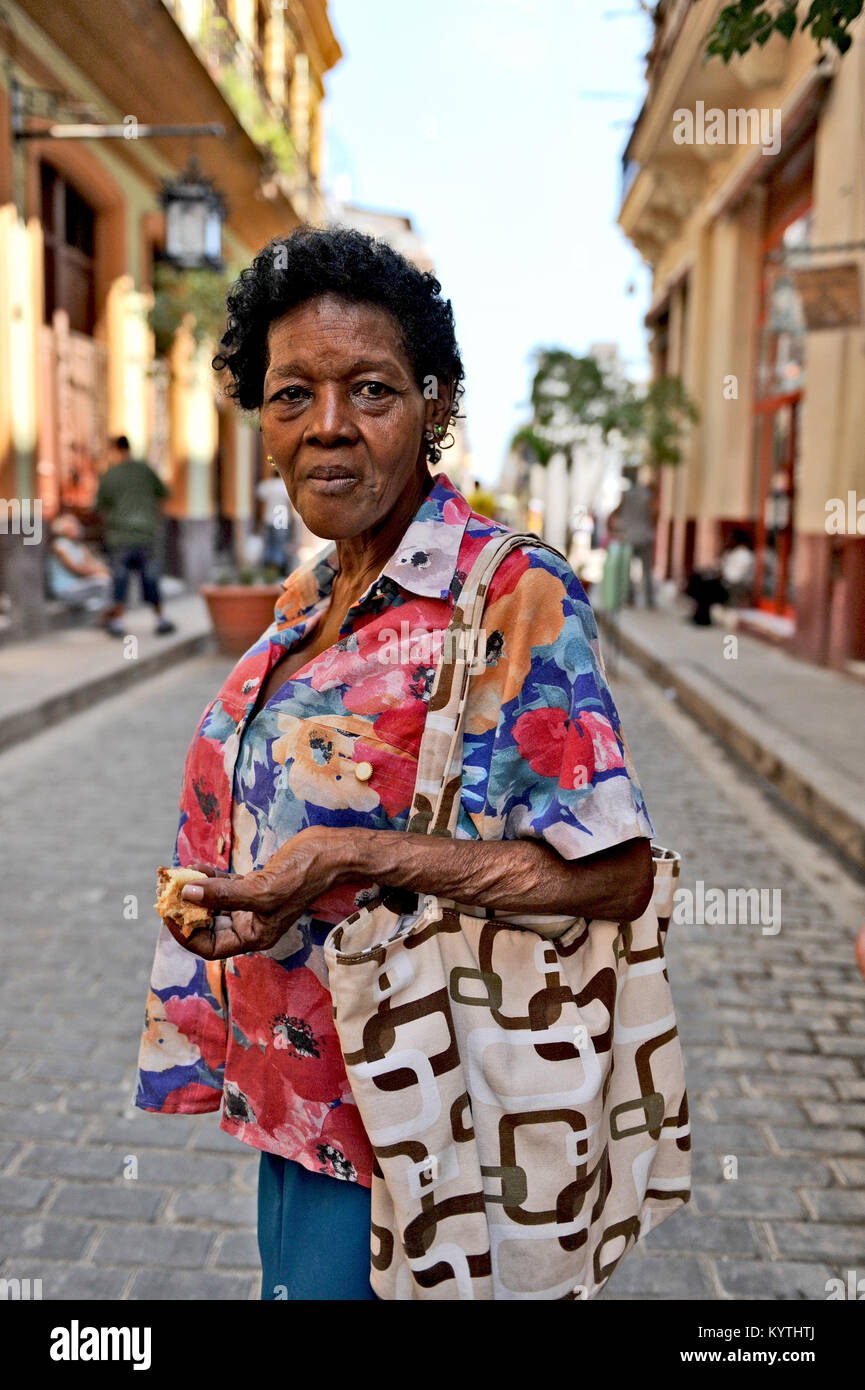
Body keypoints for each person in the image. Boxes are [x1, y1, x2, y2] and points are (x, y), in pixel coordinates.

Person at [134, 226, 657, 1301]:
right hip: (301, 1101)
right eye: (291, 395)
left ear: (433, 407)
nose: (328, 426)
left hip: (423, 1118)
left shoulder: (509, 593)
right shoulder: (304, 602)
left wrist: (343, 853)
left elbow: (615, 872)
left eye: (369, 389)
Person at [94, 435, 176, 637]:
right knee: (150, 577)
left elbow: (99, 506)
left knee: (120, 579)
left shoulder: (110, 474)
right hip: (146, 533)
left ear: (114, 450)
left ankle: (118, 622)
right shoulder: (145, 470)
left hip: (120, 535)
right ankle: (160, 619)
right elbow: (164, 493)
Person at [607, 467, 658, 608]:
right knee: (647, 570)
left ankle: (630, 598)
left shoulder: (626, 495)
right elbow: (654, 514)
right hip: (643, 536)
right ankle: (650, 600)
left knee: (628, 569)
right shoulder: (647, 496)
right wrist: (651, 531)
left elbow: (615, 512)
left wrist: (612, 530)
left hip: (628, 536)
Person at [46, 513, 112, 614]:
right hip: (65, 588)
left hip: (79, 585)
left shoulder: (79, 546)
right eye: (73, 527)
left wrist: (101, 569)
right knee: (103, 580)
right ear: (64, 530)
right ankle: (97, 610)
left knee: (104, 579)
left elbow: (91, 562)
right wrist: (99, 571)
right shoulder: (60, 545)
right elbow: (76, 569)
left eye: (77, 526)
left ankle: (97, 608)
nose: (78, 529)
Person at [256, 469, 298, 573]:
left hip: (268, 518)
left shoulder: (267, 485)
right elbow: (290, 504)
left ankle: (267, 567)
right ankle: (277, 568)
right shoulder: (284, 487)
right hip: (281, 519)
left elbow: (260, 501)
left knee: (268, 543)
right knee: (279, 544)